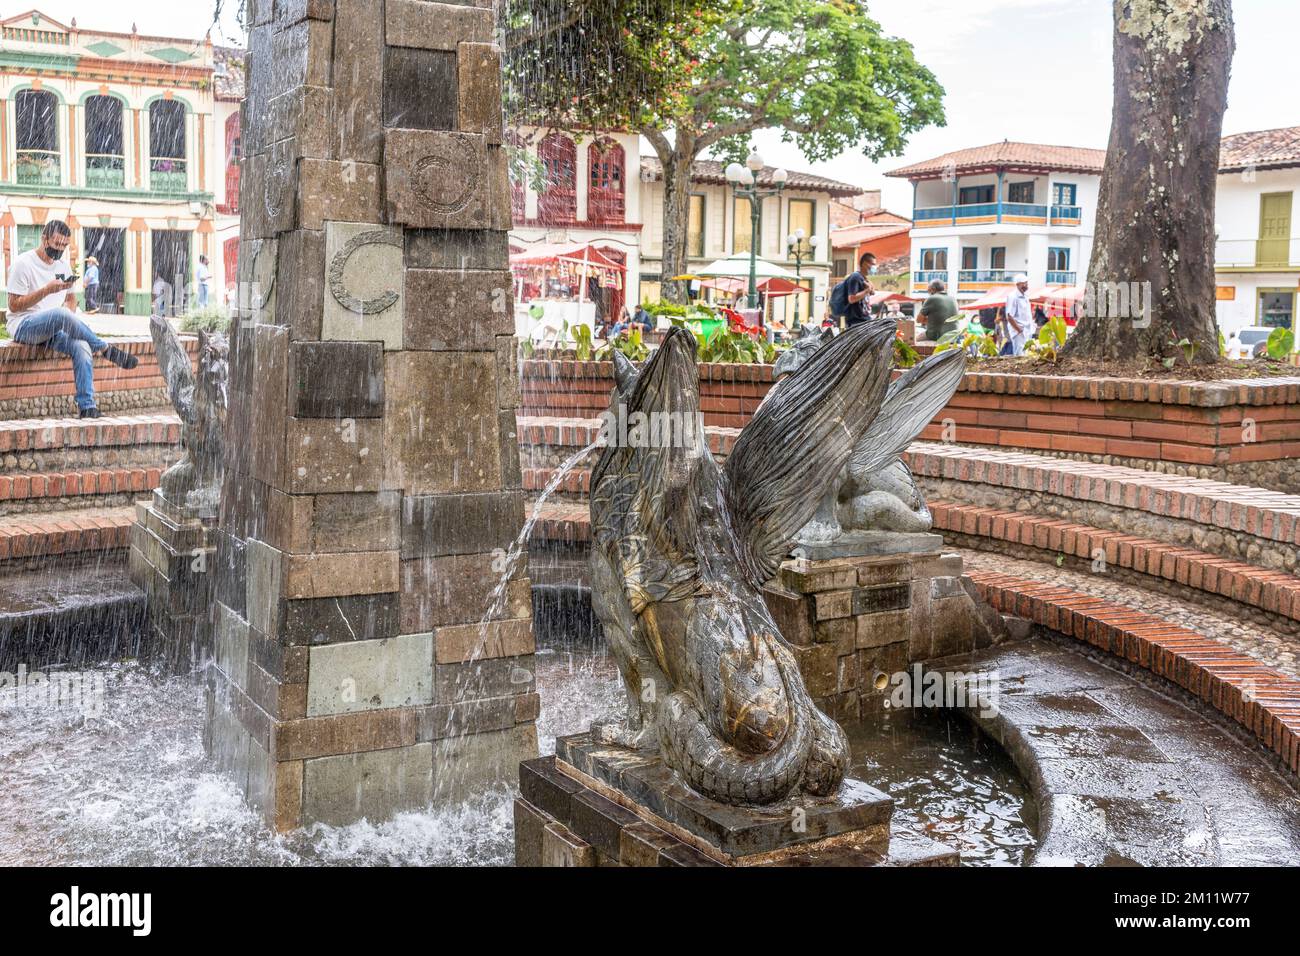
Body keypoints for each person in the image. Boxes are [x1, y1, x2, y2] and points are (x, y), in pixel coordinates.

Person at [5, 220, 139, 419]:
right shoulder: (23, 264)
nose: (59, 249)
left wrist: (68, 320)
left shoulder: (63, 266)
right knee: (61, 315)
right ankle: (105, 349)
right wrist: (46, 291)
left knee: (82, 346)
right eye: (56, 244)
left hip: (53, 328)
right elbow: (13, 305)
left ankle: (87, 407)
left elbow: (70, 300)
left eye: (64, 246)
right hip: (24, 326)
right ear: (44, 238)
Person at [840, 251, 877, 328]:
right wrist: (867, 290)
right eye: (873, 264)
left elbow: (872, 292)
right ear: (865, 264)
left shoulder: (864, 278)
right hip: (856, 322)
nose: (874, 267)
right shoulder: (855, 277)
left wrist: (870, 289)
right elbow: (851, 299)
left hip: (864, 320)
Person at [1002, 274, 1032, 355]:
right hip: (1019, 331)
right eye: (1023, 283)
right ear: (1017, 284)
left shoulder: (1026, 296)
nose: (1026, 285)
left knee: (1026, 356)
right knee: (1020, 356)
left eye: (1026, 283)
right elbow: (1009, 316)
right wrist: (1019, 330)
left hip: (1026, 330)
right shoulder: (1013, 296)